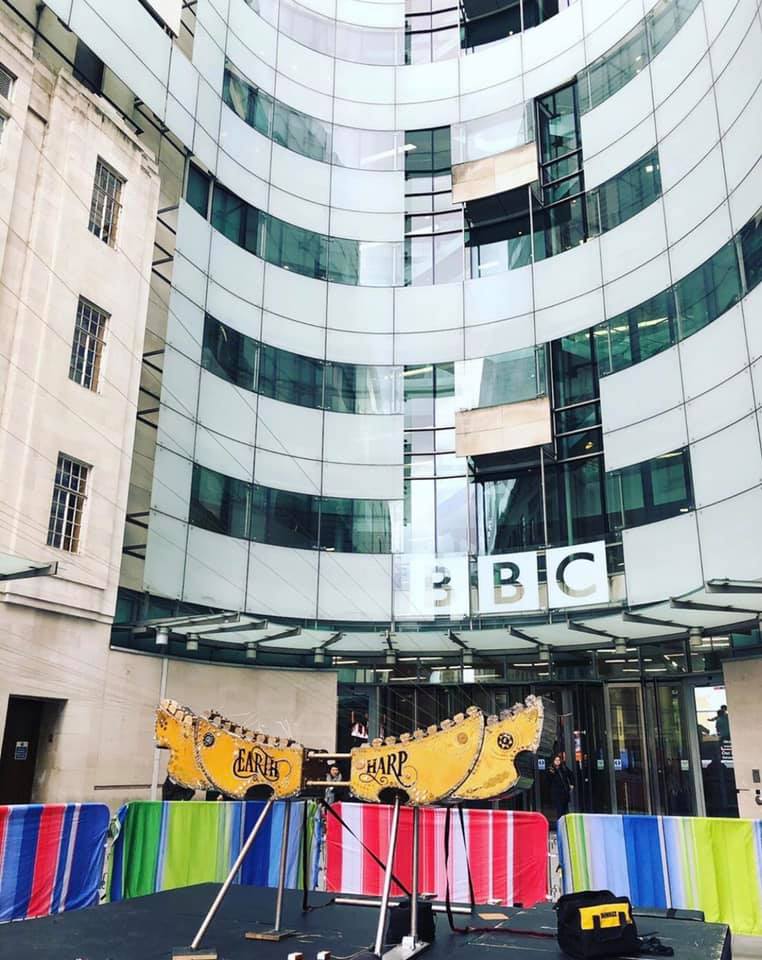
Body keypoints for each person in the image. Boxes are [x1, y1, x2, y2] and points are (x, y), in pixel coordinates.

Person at [549, 754, 574, 822]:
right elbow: (548, 780)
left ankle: (565, 823)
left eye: (558, 760)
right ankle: (560, 823)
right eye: (556, 760)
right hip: (556, 792)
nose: (557, 761)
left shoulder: (563, 767)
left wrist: (572, 784)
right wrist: (552, 772)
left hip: (564, 791)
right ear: (553, 761)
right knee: (559, 809)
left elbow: (571, 774)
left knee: (565, 809)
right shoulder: (551, 769)